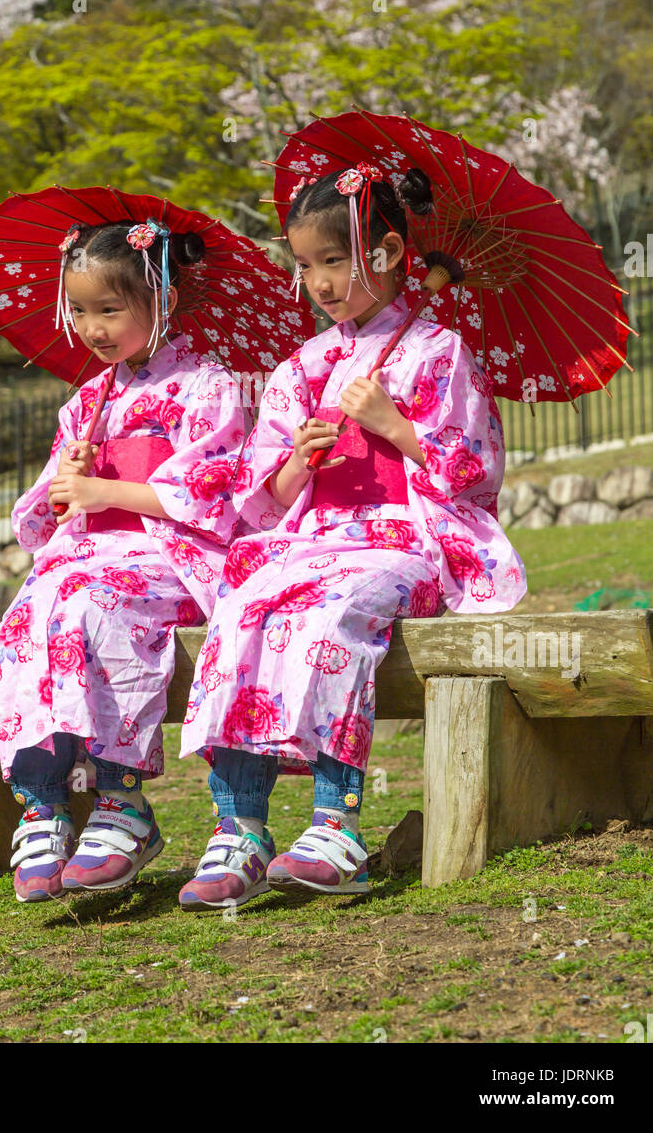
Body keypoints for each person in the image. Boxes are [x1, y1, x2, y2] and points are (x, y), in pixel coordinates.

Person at [178, 163, 527, 910]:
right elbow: (263, 498)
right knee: (241, 607)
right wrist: (299, 466)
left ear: (394, 253)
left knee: (335, 610)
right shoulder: (300, 367)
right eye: (306, 266)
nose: (320, 283)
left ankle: (335, 822)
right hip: (315, 537)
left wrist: (394, 426)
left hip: (404, 540)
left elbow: (473, 471)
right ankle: (239, 825)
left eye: (335, 261)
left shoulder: (438, 353)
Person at [0, 218, 248, 901]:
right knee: (23, 624)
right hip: (90, 557)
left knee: (94, 608)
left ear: (162, 301)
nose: (92, 327)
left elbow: (212, 494)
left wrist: (105, 488)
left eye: (109, 308)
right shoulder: (88, 401)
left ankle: (120, 798)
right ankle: (42, 805)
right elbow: (48, 518)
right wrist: (65, 481)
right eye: (79, 310)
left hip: (166, 558)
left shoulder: (208, 386)